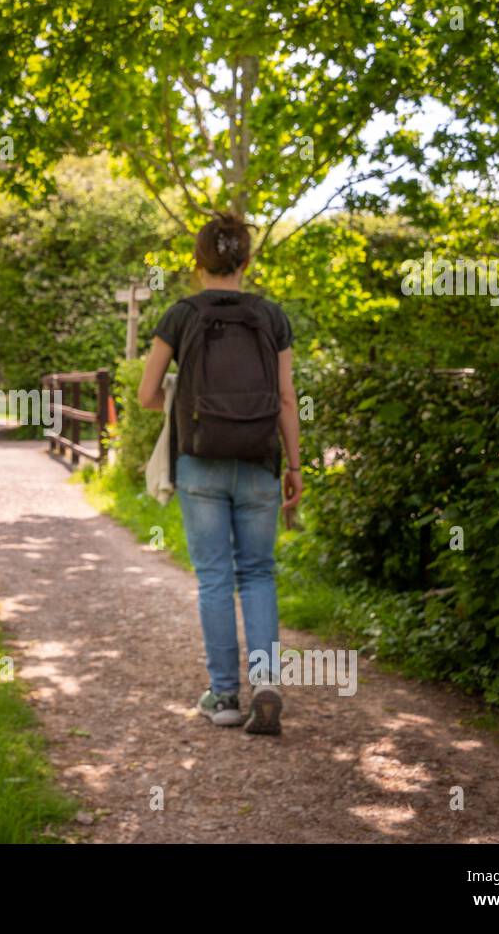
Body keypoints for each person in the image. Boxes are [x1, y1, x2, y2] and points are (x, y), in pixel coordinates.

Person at [137, 212, 302, 735]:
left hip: (200, 460)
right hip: (259, 461)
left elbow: (145, 395)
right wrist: (295, 464)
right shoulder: (271, 317)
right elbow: (285, 399)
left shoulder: (181, 314)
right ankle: (267, 682)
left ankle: (225, 697)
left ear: (197, 262)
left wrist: (185, 398)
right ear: (246, 260)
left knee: (214, 577)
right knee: (258, 572)